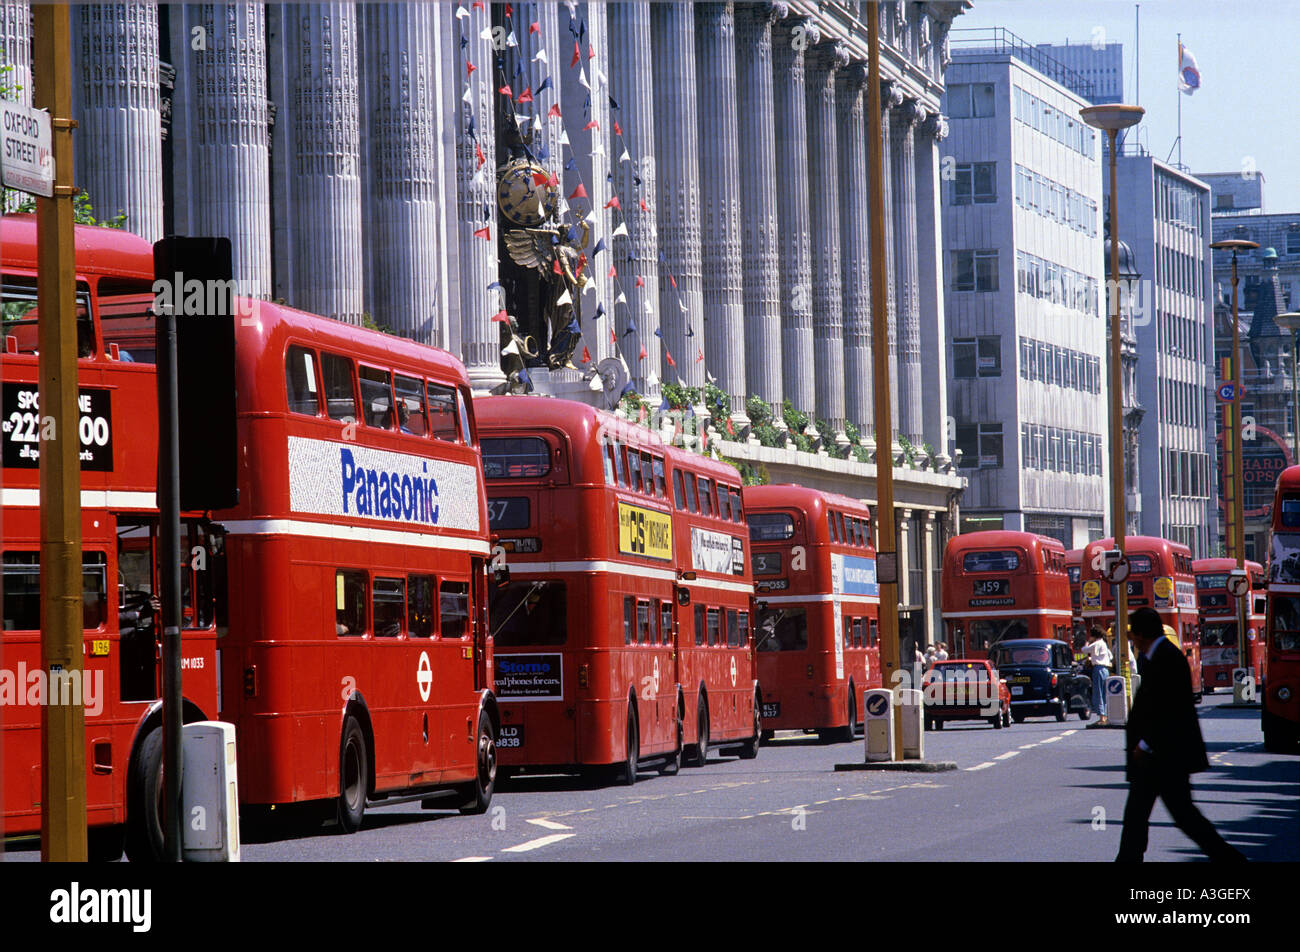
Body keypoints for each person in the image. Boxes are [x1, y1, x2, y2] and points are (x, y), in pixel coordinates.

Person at [1115, 607, 1245, 863]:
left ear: (1142, 634)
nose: (1132, 640)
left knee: (1182, 816)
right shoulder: (1159, 656)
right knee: (1137, 816)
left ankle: (1231, 859)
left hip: (1164, 756)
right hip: (1157, 757)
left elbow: (1168, 710)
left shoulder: (1166, 658)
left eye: (1133, 634)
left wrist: (1145, 743)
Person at [1082, 626, 1113, 726]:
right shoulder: (1104, 644)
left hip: (1098, 669)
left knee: (1098, 692)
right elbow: (1111, 656)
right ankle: (1104, 716)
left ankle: (1101, 717)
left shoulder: (1096, 644)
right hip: (1106, 669)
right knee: (1104, 693)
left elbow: (1084, 650)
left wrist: (1087, 642)